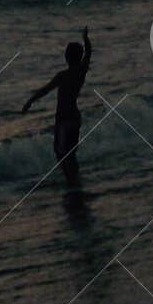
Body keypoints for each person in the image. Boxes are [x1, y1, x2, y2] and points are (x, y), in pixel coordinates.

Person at [22, 27, 92, 189]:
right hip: (75, 118)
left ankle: (72, 182)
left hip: (64, 120)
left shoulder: (63, 75)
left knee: (60, 152)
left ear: (67, 57)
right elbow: (88, 53)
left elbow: (45, 90)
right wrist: (86, 39)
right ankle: (75, 179)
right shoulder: (81, 72)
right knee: (71, 153)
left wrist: (30, 101)